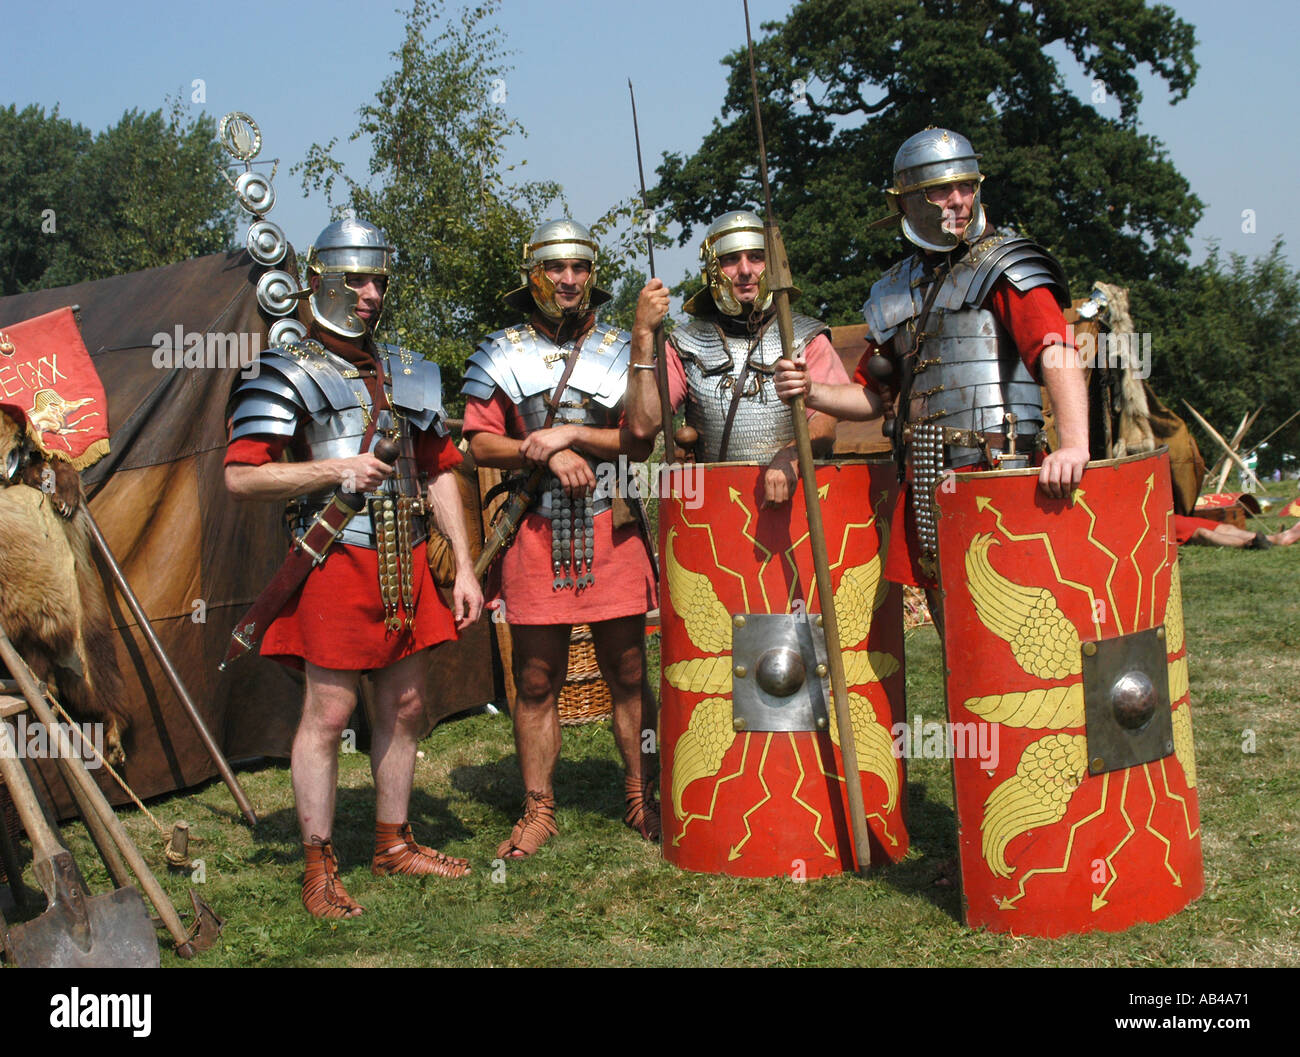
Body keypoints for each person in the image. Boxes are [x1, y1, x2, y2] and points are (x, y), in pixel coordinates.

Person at [225, 217, 482, 918]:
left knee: (405, 706)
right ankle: (317, 861)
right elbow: (241, 478)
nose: (372, 293)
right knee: (329, 712)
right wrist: (335, 466)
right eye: (358, 281)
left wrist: (462, 563)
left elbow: (440, 470)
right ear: (322, 282)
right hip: (335, 556)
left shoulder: (409, 368)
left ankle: (393, 842)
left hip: (404, 558)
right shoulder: (283, 369)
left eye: (379, 281)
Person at [775, 128, 1089, 628]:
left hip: (999, 474)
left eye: (967, 185)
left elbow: (1057, 352)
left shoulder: (1005, 265)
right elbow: (873, 399)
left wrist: (1074, 445)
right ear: (905, 202)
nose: (958, 201)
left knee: (1017, 625)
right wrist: (811, 391)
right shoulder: (894, 289)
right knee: (956, 633)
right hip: (925, 478)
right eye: (940, 190)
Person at [461, 219, 659, 859]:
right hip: (534, 529)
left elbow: (640, 437)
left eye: (579, 268)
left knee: (628, 671)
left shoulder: (619, 347)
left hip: (610, 523)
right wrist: (534, 449)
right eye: (555, 268)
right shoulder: (500, 348)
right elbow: (478, 441)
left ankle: (640, 794)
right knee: (537, 677)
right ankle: (539, 807)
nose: (569, 280)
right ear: (533, 273)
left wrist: (569, 436)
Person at [627, 210, 849, 500]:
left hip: (798, 503)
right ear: (712, 268)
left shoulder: (807, 337)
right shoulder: (685, 344)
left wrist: (790, 457)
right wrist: (643, 335)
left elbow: (825, 422)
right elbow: (644, 426)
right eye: (730, 259)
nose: (745, 270)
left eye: (756, 257)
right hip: (714, 504)